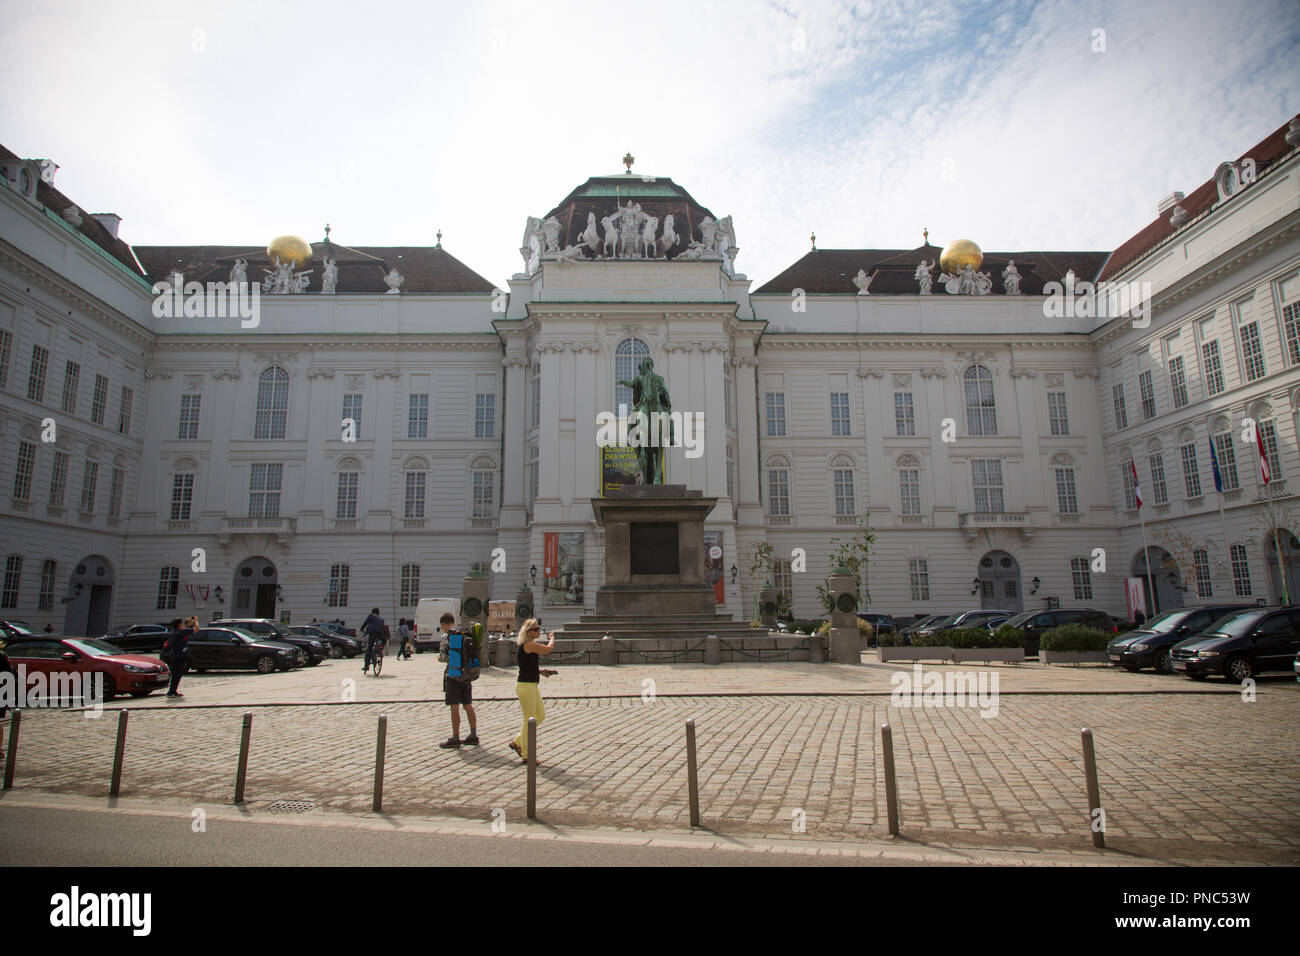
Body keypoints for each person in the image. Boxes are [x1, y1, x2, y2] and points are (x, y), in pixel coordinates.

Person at [510, 618, 556, 764]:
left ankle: (518, 742)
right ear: (528, 632)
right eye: (536, 629)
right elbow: (548, 650)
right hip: (525, 686)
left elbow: (527, 665)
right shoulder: (529, 644)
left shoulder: (528, 645)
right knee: (529, 719)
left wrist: (540, 671)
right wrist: (553, 639)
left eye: (538, 628)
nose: (538, 631)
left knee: (540, 716)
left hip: (531, 685)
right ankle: (526, 754)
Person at [438, 613, 478, 748]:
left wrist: (440, 658)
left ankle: (455, 737)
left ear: (444, 624)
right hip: (466, 675)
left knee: (454, 708)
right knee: (468, 706)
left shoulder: (446, 637)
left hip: (453, 675)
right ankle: (473, 735)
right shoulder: (465, 633)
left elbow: (444, 657)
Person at [163, 616, 196, 698]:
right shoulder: (179, 632)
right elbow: (196, 629)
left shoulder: (174, 632)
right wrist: (195, 621)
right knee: (177, 675)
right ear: (178, 625)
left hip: (174, 656)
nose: (182, 625)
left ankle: (172, 691)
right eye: (181, 623)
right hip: (179, 656)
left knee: (175, 675)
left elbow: (186, 631)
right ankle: (172, 692)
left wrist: (188, 624)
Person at [361, 607, 386, 673]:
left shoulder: (371, 616)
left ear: (372, 612)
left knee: (369, 649)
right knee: (380, 644)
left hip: (373, 634)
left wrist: (362, 629)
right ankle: (380, 650)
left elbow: (365, 623)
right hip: (381, 635)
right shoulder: (382, 619)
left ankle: (366, 665)